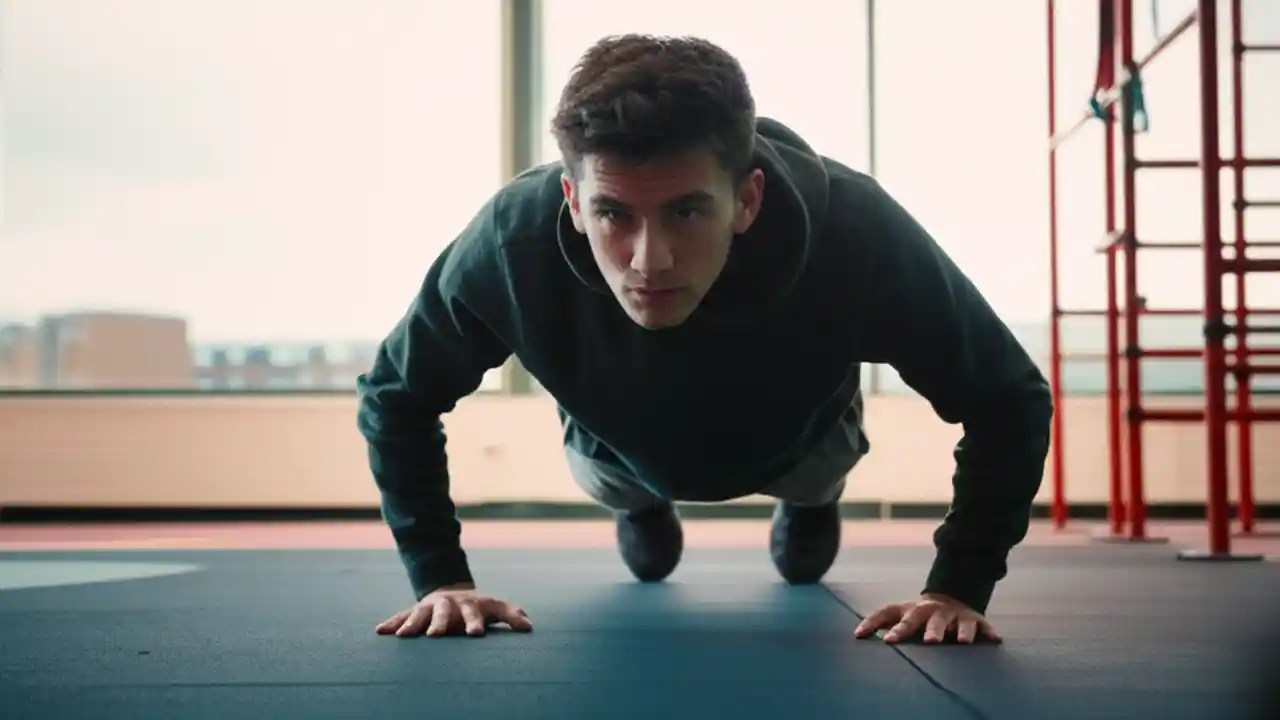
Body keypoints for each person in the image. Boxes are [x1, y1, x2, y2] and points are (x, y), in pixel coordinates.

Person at [358, 34, 1052, 645]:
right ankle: (643, 501)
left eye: (687, 211)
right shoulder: (511, 244)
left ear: (746, 200)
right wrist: (440, 579)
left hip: (801, 437)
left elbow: (1008, 396)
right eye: (613, 214)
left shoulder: (856, 232)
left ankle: (811, 503)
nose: (648, 259)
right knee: (625, 501)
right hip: (616, 441)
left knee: (808, 532)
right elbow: (395, 394)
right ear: (572, 201)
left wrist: (956, 587)